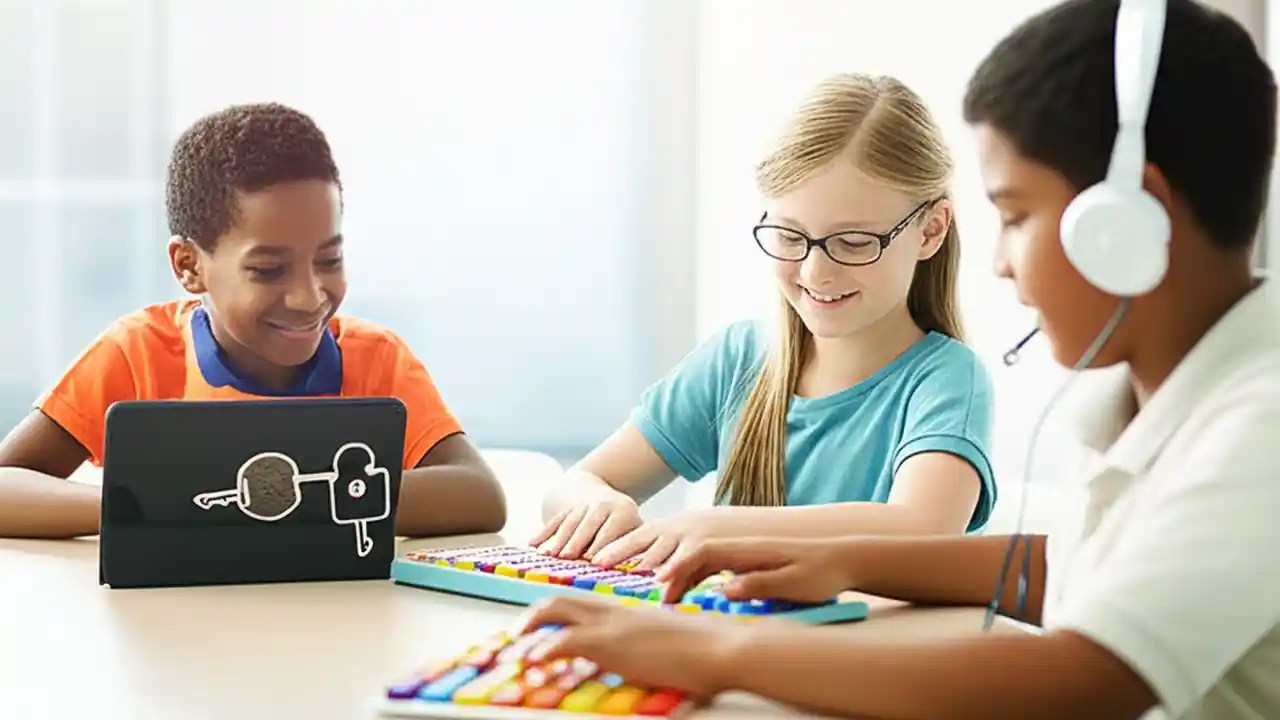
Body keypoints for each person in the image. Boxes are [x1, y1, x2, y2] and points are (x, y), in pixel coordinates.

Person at [515, 1, 1280, 718]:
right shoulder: (1159, 401)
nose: (1002, 267)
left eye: (1014, 217)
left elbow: (1083, 679)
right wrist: (848, 562)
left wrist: (721, 651)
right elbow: (1068, 569)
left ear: (1127, 225)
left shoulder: (1260, 426)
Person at [533, 73, 997, 571]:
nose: (816, 271)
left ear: (930, 231)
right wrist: (597, 503)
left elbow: (921, 528)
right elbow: (572, 486)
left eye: (855, 242)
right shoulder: (738, 358)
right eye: (790, 236)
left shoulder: (947, 380)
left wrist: (713, 529)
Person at [0, 102, 506, 539]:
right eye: (268, 270)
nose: (310, 297)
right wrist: (150, 507)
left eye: (328, 260)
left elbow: (479, 495)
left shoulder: (376, 361)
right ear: (189, 266)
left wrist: (285, 498)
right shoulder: (137, 355)